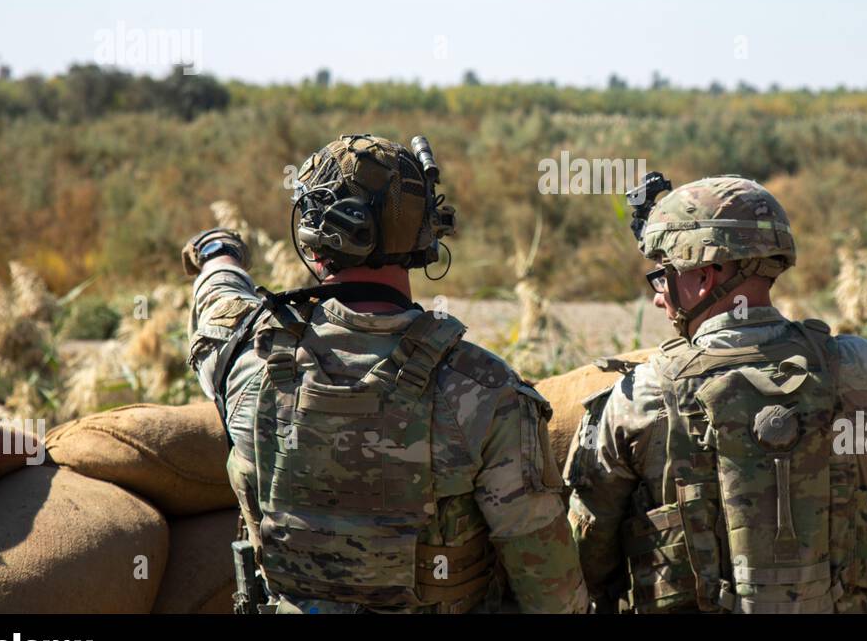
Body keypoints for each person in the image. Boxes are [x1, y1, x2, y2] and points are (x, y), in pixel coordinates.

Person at [183, 133, 586, 613]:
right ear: (424, 238)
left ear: (314, 243)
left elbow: (217, 311)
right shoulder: (486, 391)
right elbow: (552, 595)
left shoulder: (248, 361)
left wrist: (218, 255)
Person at [564, 174, 867, 613]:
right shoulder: (866, 368)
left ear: (703, 276)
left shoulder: (640, 393)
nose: (659, 298)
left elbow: (588, 545)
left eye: (663, 277)